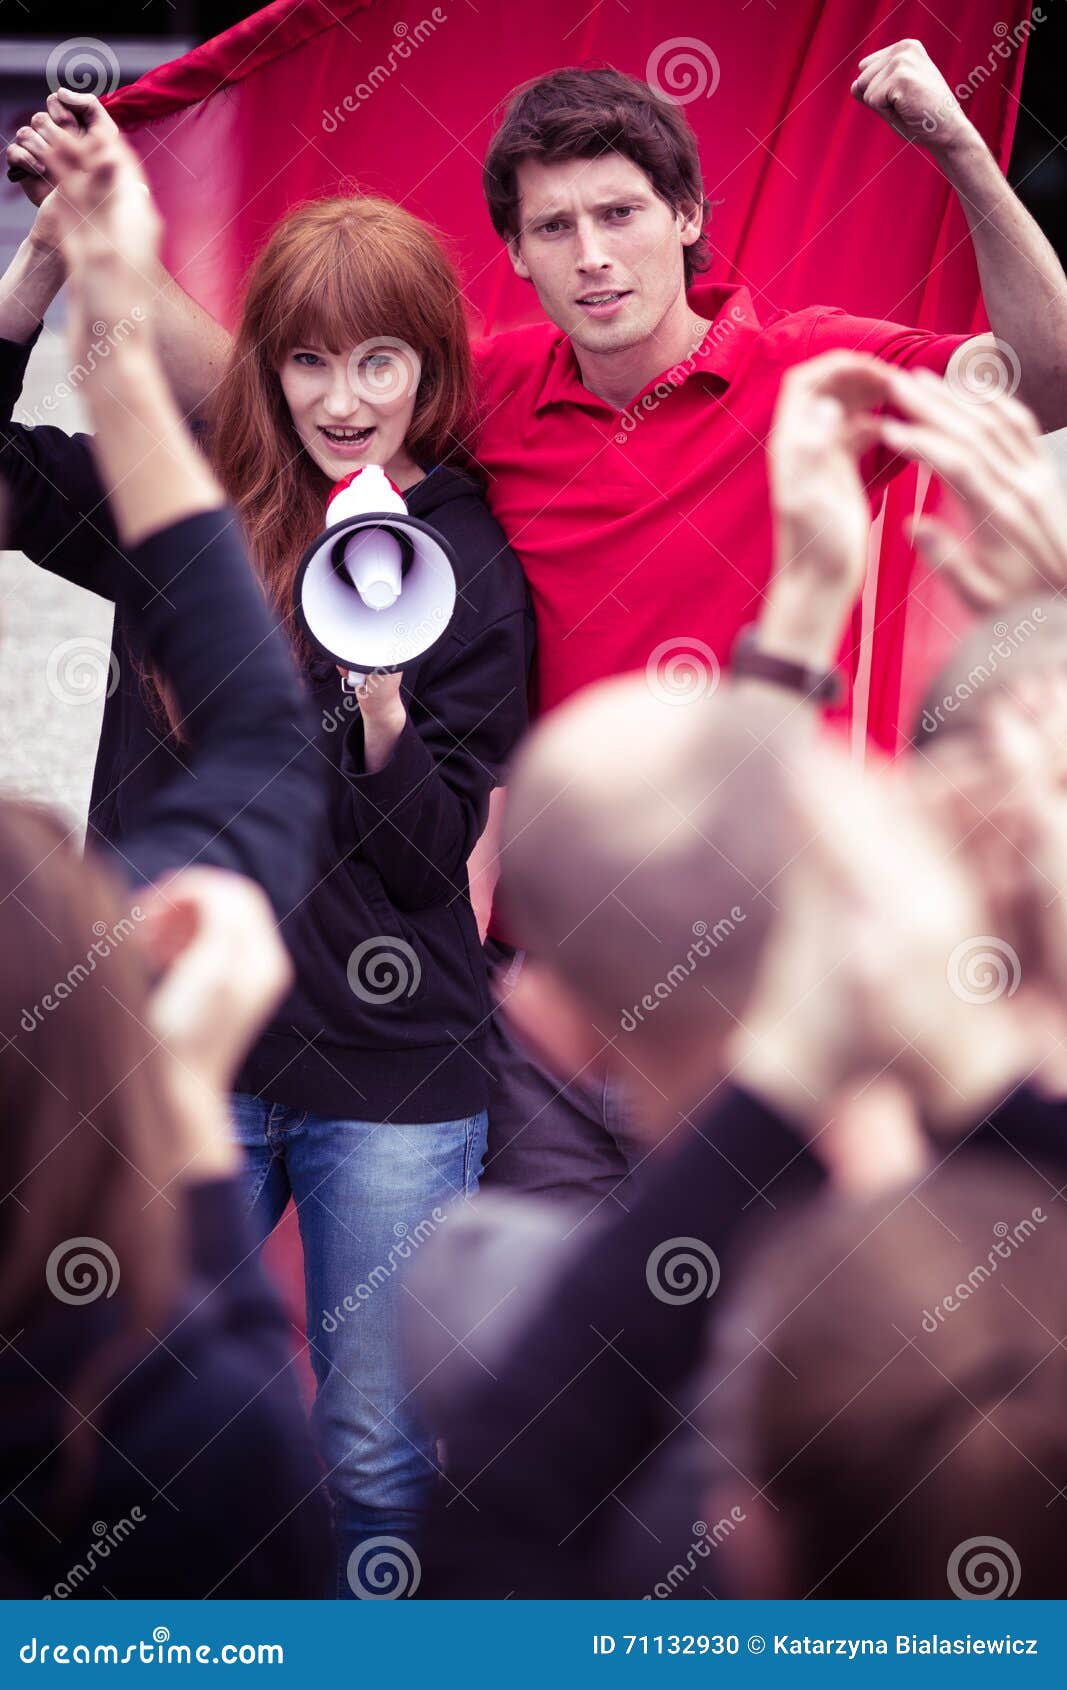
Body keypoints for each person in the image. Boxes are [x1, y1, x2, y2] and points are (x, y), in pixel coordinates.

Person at [43, 41, 1064, 1209]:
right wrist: (105, 226)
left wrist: (958, 152)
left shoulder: (817, 373)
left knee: (769, 1356)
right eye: (553, 228)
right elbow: (258, 397)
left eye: (619, 213)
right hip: (543, 989)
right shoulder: (491, 390)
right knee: (549, 1360)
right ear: (517, 254)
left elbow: (1044, 375)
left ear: (684, 215)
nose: (591, 256)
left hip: (764, 961)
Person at [1, 107, 531, 1597]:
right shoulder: (183, 518)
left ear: (429, 369)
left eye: (381, 360)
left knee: (373, 1454)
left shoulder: (475, 563)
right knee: (135, 1431)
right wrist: (42, 271)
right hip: (182, 1058)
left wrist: (381, 697)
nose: (344, 397)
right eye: (307, 358)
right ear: (263, 368)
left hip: (388, 1072)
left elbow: (430, 870)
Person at [0, 116, 332, 1598]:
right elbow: (265, 736)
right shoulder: (190, 1424)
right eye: (308, 359)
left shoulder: (456, 530)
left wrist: (76, 298)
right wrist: (94, 320)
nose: (341, 394)